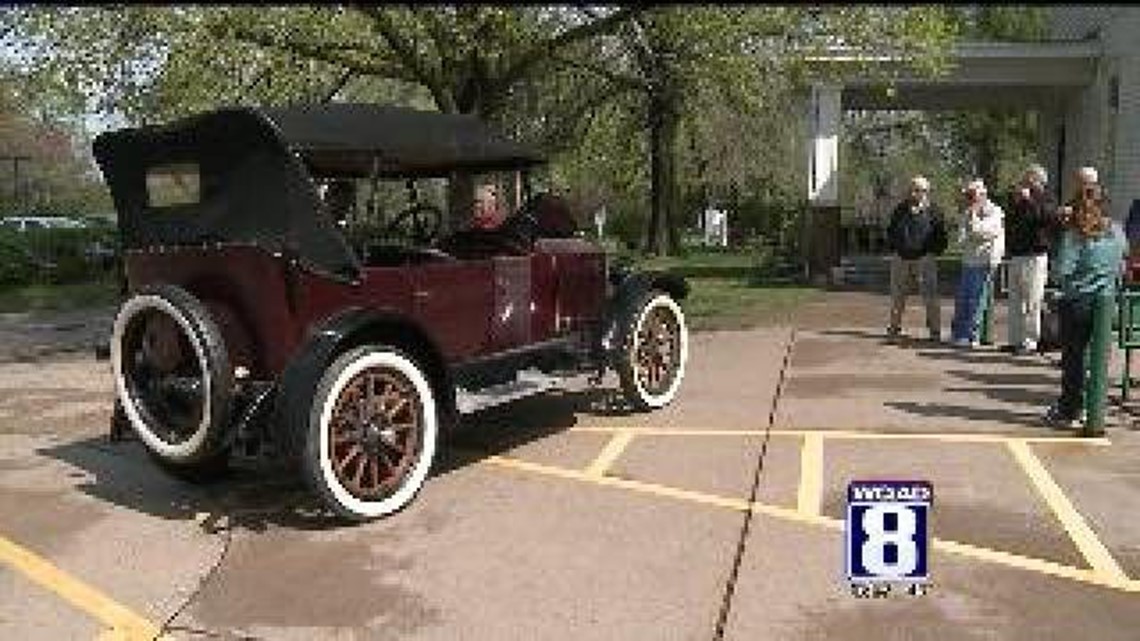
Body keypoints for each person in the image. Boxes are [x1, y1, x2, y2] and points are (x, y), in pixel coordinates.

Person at [1043, 180, 1127, 433]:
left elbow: (1062, 271)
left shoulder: (1075, 235)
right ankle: (1093, 407)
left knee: (1074, 358)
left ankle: (1070, 409)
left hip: (1078, 302)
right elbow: (1121, 262)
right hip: (1107, 302)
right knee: (1097, 357)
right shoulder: (1117, 231)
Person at [886, 175, 948, 341]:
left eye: (918, 190)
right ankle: (894, 328)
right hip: (901, 258)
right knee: (897, 296)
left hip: (924, 259)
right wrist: (895, 248)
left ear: (926, 192)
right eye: (912, 189)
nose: (913, 193)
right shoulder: (900, 210)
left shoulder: (934, 211)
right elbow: (891, 231)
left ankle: (935, 331)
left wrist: (933, 252)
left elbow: (941, 235)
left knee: (930, 296)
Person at [1003, 164, 1057, 354]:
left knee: (1032, 301)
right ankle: (1014, 339)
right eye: (1025, 178)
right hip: (1017, 254)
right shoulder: (1018, 199)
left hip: (1035, 256)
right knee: (1015, 300)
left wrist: (1029, 201)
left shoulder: (1047, 198)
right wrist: (1017, 202)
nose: (1026, 181)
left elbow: (1045, 219)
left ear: (1039, 180)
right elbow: (1009, 222)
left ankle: (1030, 342)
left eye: (1029, 178)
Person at [951, 179, 1005, 347]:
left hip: (984, 261)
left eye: (972, 195)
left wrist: (972, 216)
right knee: (962, 299)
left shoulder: (995, 211)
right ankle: (959, 334)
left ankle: (971, 336)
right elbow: (960, 238)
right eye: (968, 195)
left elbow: (981, 232)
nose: (970, 199)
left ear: (983, 195)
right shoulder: (967, 212)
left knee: (976, 300)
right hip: (969, 260)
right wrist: (968, 216)